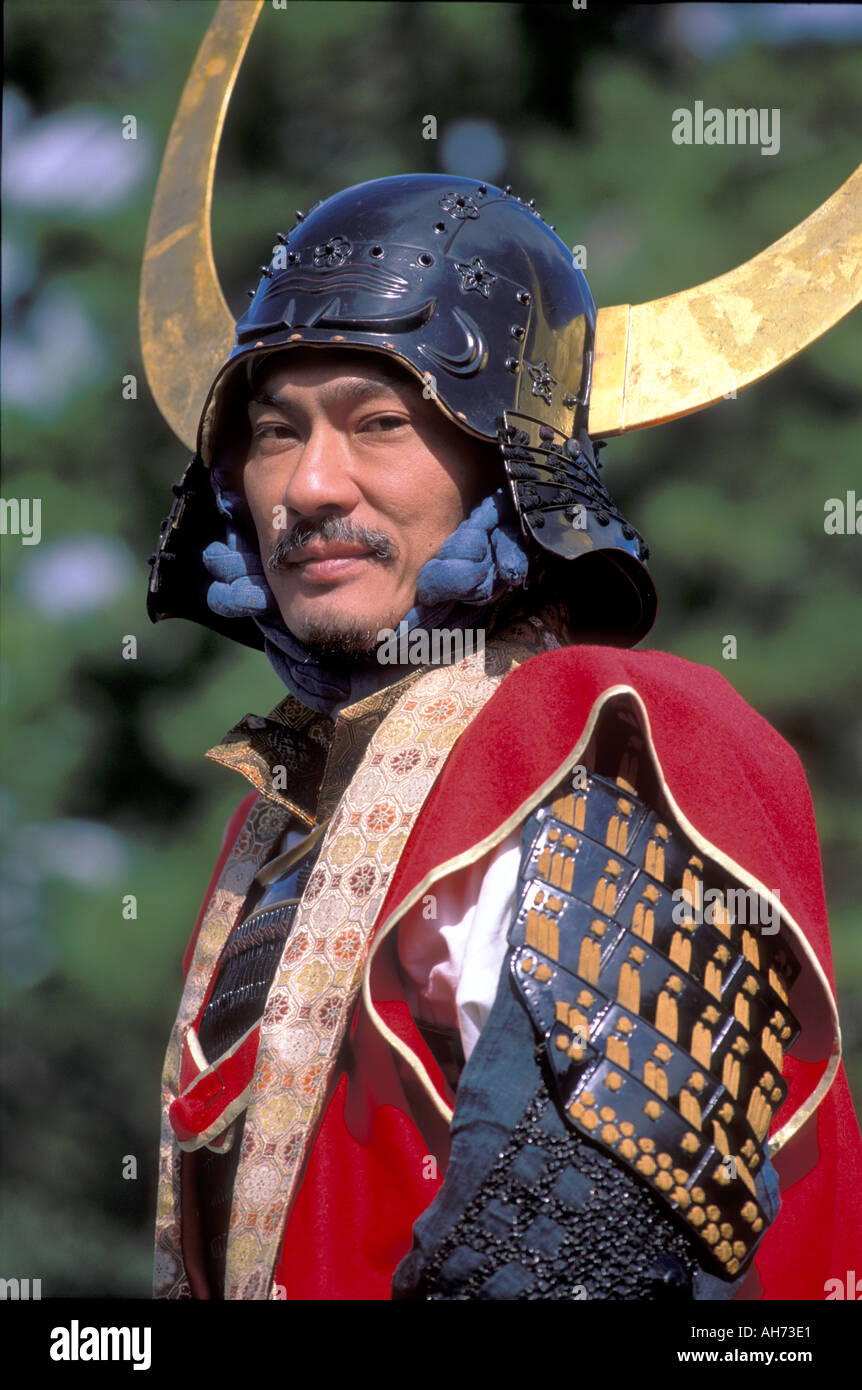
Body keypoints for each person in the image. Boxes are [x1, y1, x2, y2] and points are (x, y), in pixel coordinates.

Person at [146, 171, 862, 1302]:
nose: (311, 484)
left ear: (510, 466)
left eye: (380, 422)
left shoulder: (621, 734)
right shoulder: (278, 812)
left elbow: (584, 1249)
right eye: (275, 432)